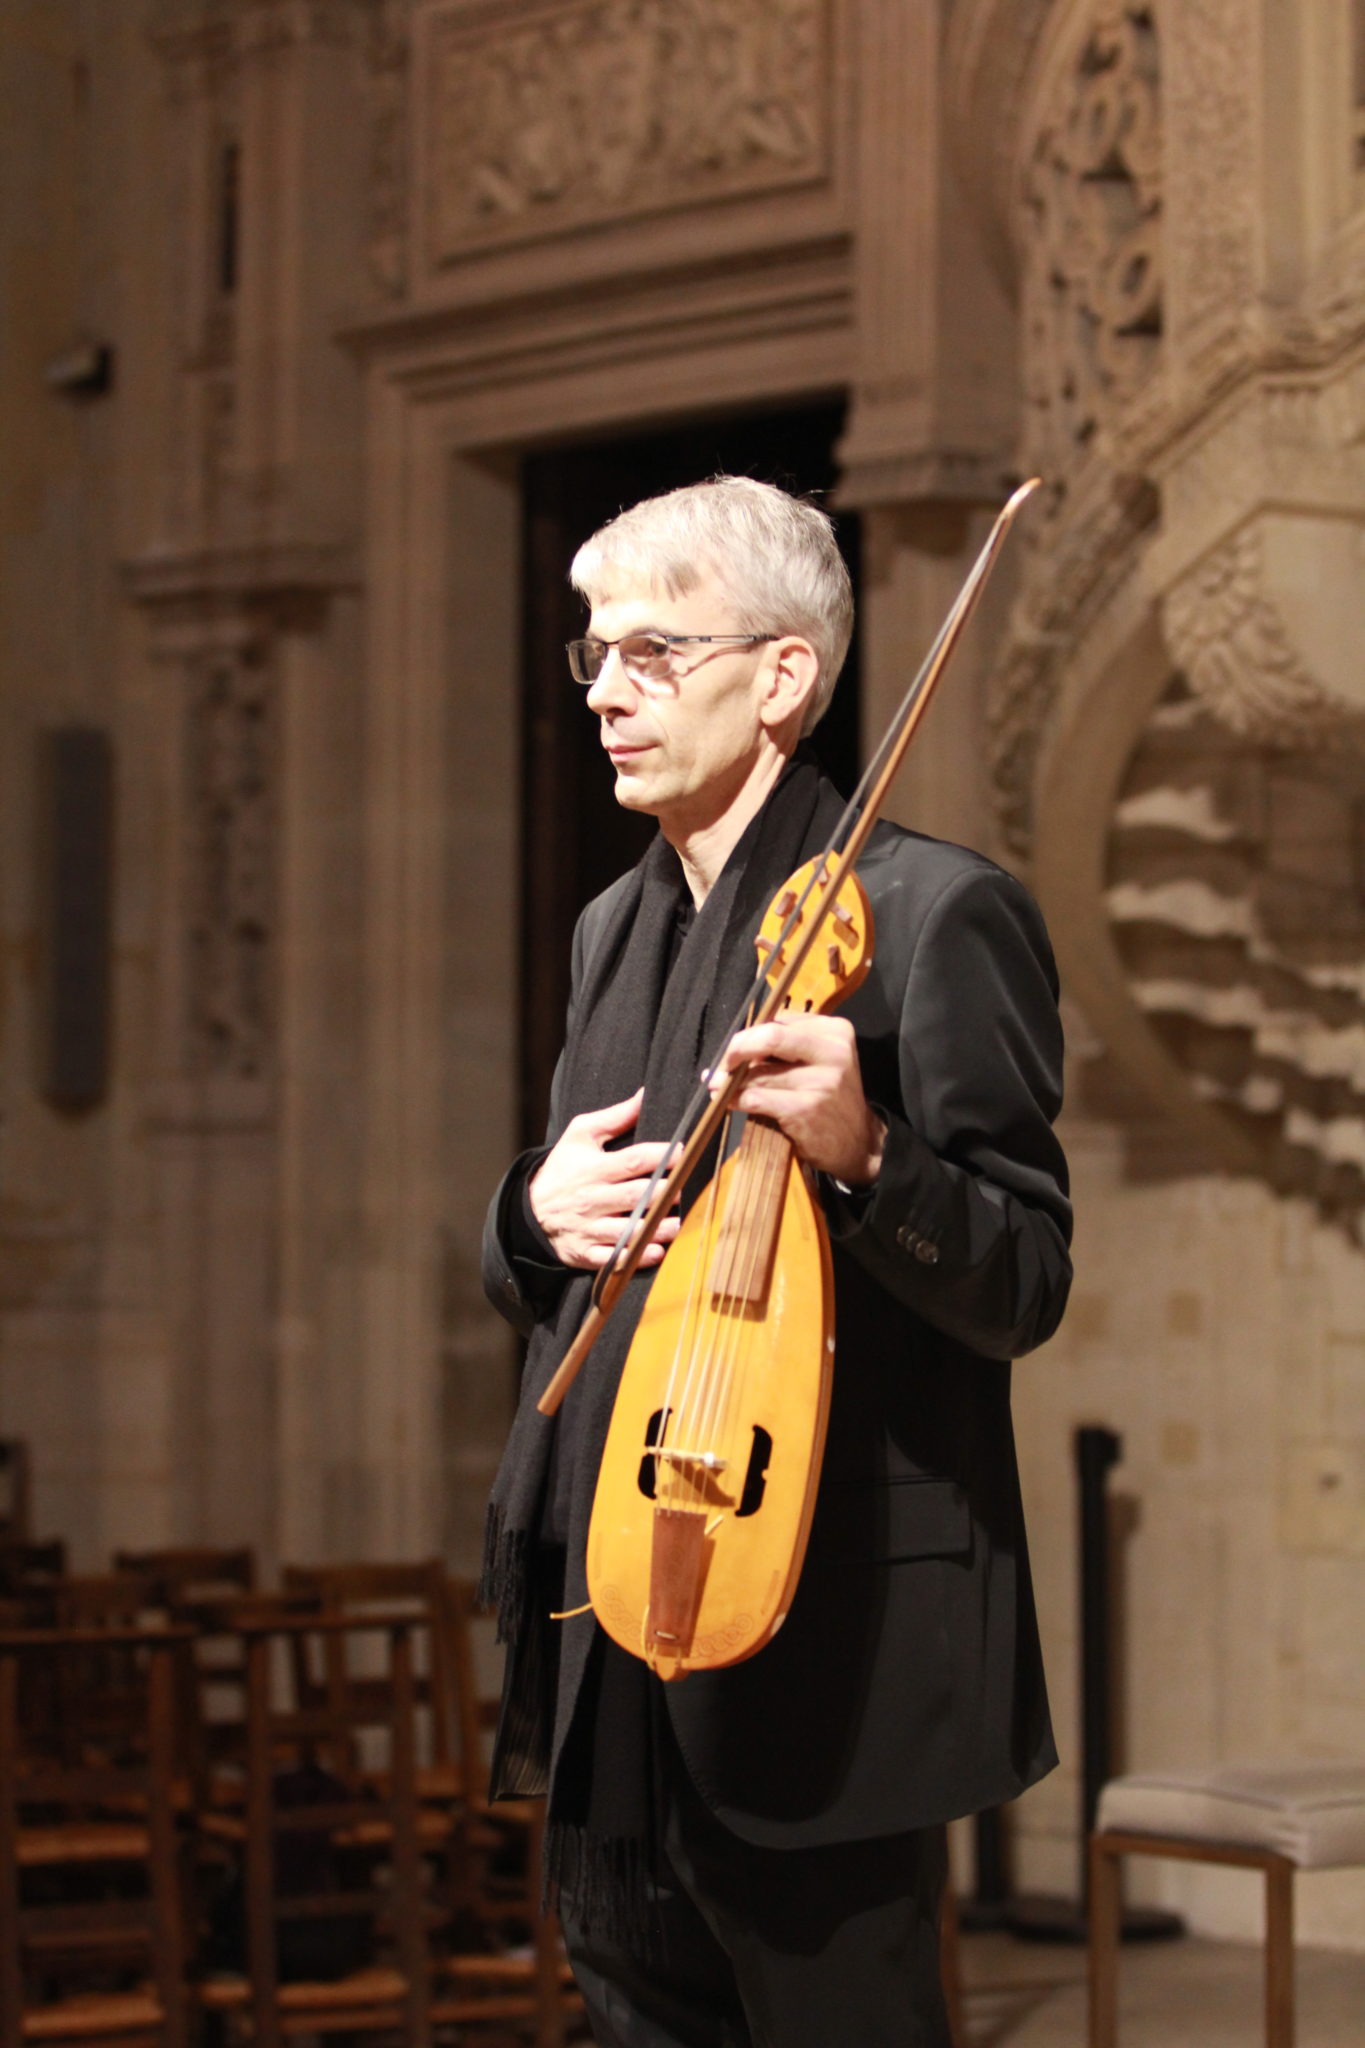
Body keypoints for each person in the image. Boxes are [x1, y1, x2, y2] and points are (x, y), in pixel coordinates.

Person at [480, 477, 1072, 2048]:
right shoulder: (613, 927)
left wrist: (872, 1156)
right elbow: (562, 1240)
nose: (606, 688)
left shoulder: (934, 912)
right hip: (616, 1591)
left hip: (827, 1630)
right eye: (592, 654)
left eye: (653, 653)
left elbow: (1025, 1279)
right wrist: (529, 1220)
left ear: (784, 679)